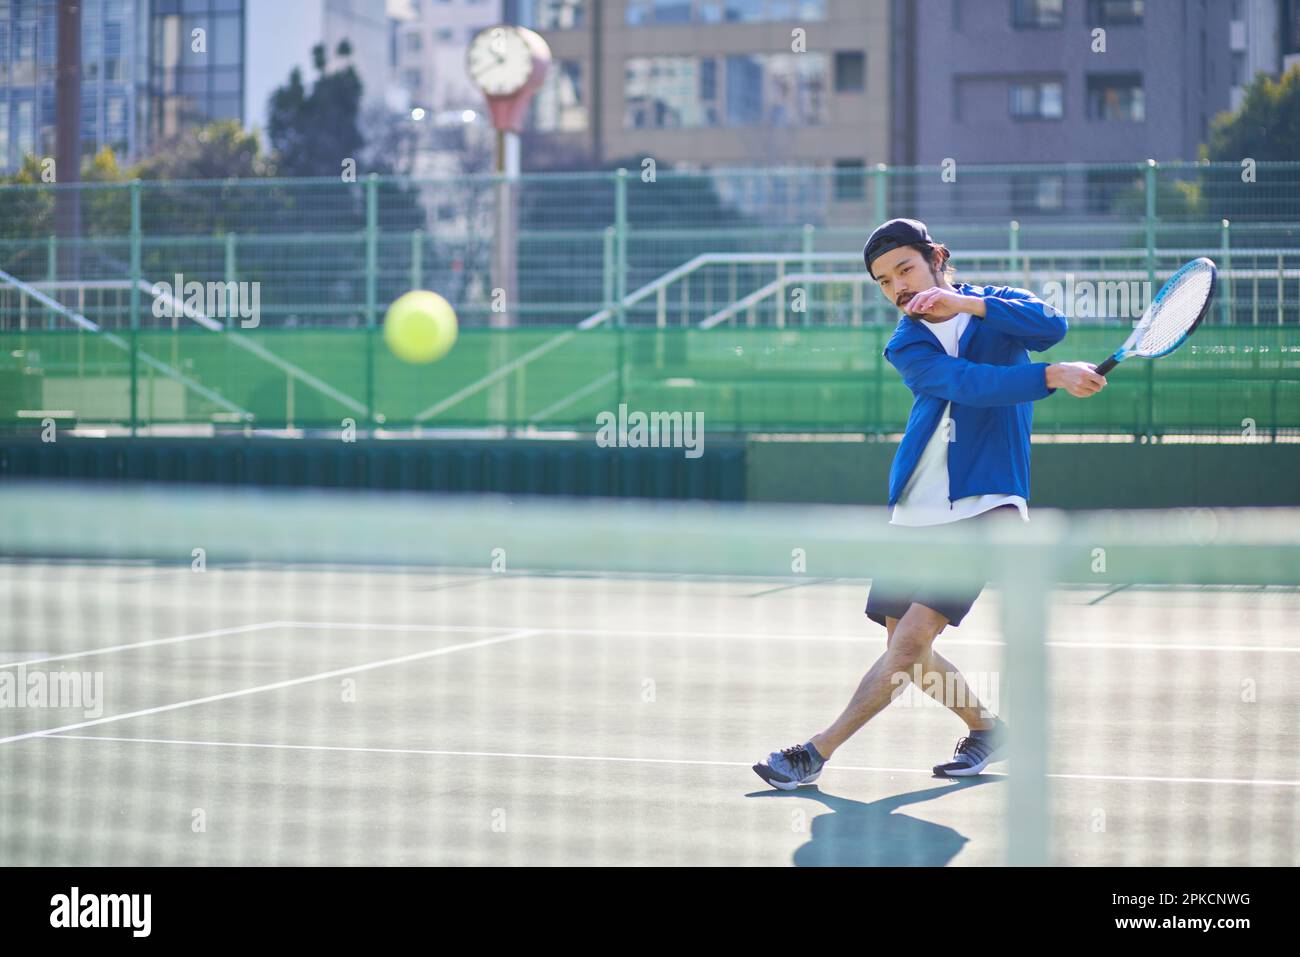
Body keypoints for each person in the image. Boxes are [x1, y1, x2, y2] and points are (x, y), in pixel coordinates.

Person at [753, 217, 1107, 789]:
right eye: (884, 281)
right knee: (905, 649)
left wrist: (967, 305)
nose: (898, 287)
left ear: (937, 259)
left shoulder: (996, 305)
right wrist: (1051, 377)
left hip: (985, 505)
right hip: (916, 508)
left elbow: (1051, 326)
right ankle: (987, 730)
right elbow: (970, 384)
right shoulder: (906, 344)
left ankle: (814, 753)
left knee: (911, 643)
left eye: (905, 269)